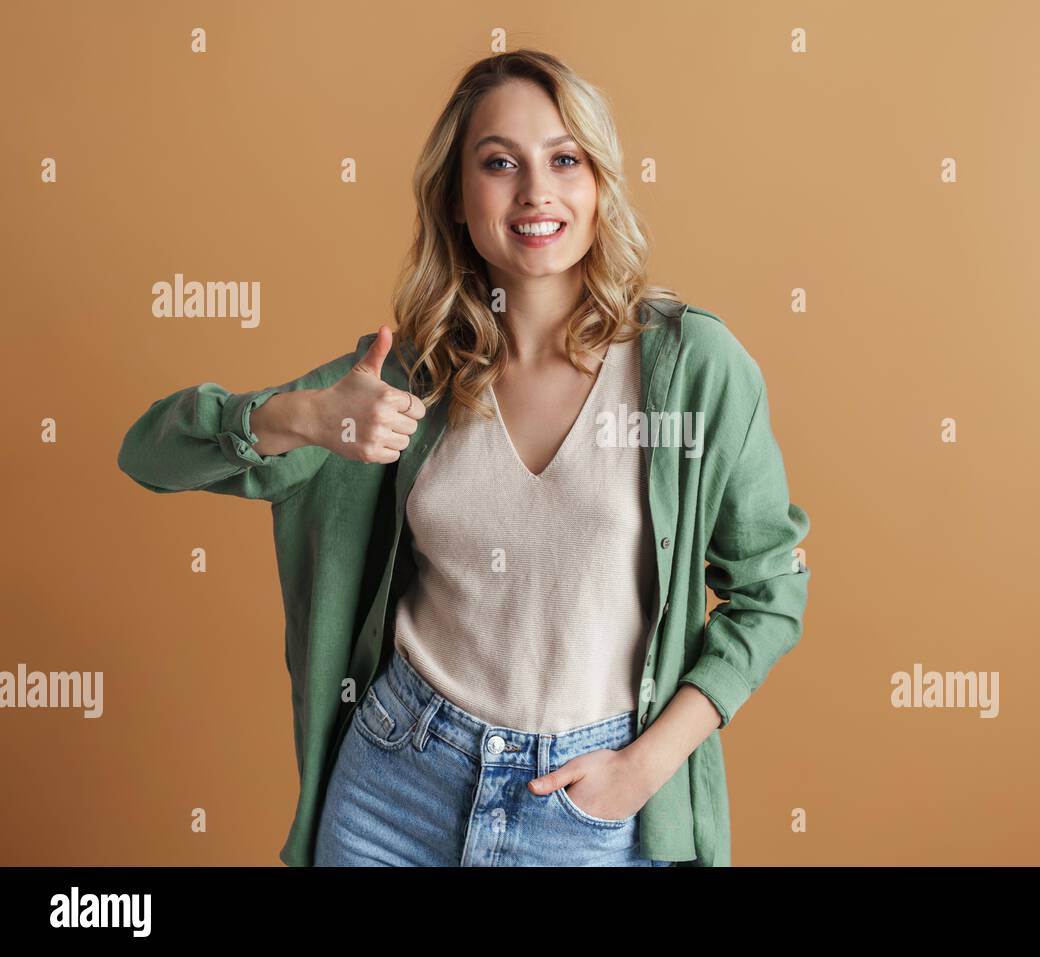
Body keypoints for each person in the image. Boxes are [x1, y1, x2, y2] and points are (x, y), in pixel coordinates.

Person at [117, 49, 811, 866]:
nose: (535, 191)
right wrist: (307, 419)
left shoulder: (691, 366)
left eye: (564, 159)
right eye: (499, 163)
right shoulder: (410, 375)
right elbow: (150, 451)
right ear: (456, 195)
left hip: (588, 812)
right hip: (395, 784)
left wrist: (644, 767)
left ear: (598, 183)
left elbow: (771, 590)